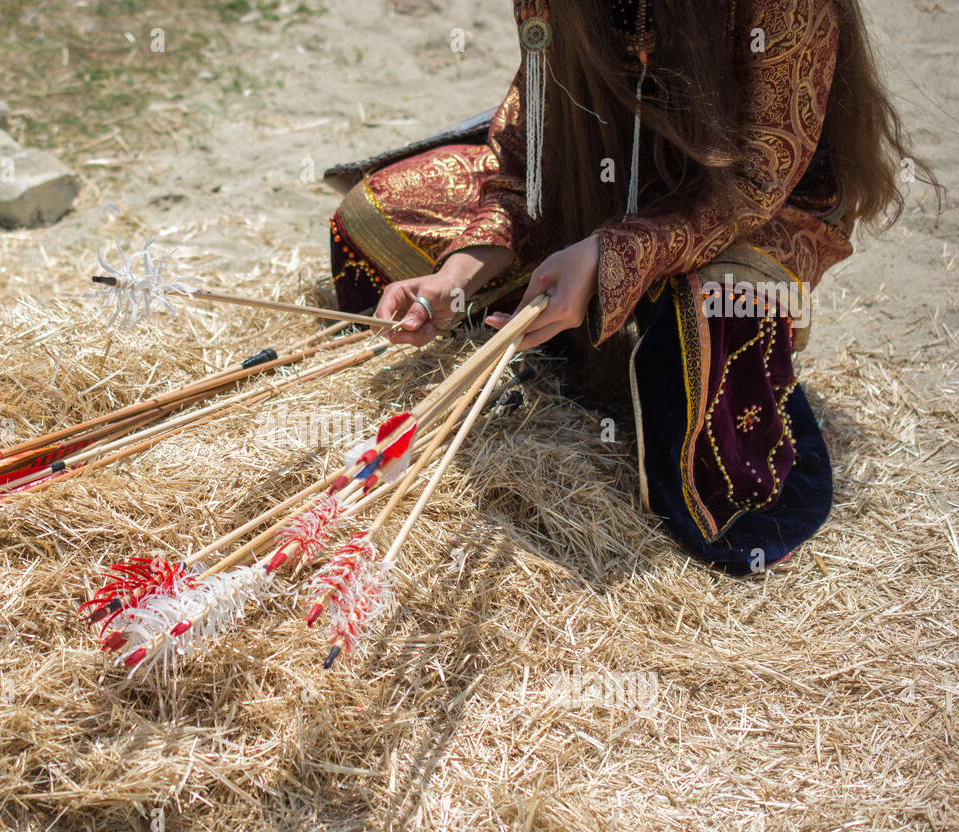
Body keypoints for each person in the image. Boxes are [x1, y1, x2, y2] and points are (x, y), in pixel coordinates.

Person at [328, 0, 936, 574]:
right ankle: (563, 306)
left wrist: (610, 255)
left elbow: (760, 177)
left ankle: (606, 311)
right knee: (373, 216)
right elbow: (525, 152)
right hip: (593, 178)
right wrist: (456, 277)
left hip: (743, 208)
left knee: (701, 323)